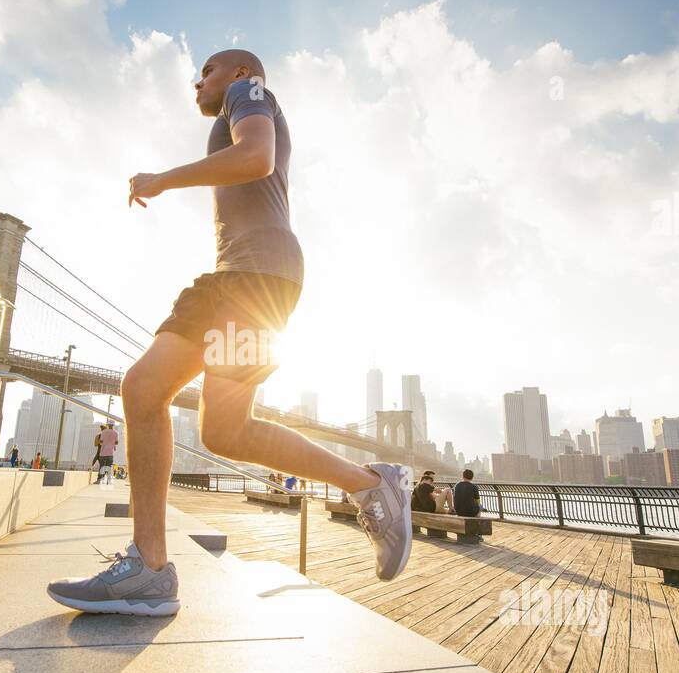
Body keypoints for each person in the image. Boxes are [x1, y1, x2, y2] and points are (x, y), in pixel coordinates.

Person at [47, 49, 412, 617]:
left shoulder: (251, 93)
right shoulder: (232, 107)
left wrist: (164, 180)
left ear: (238, 73)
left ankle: (148, 566)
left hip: (254, 281)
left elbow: (257, 157)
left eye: (208, 71)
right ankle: (368, 483)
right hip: (237, 281)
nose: (198, 82)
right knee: (198, 418)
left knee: (165, 397)